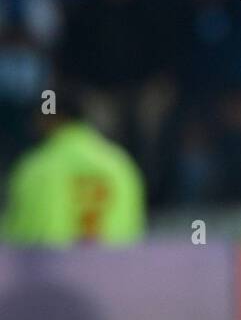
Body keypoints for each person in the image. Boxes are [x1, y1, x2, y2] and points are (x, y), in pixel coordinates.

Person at [1, 94, 146, 247]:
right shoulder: (119, 164)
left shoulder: (37, 167)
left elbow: (18, 239)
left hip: (54, 269)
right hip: (117, 268)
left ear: (52, 117)